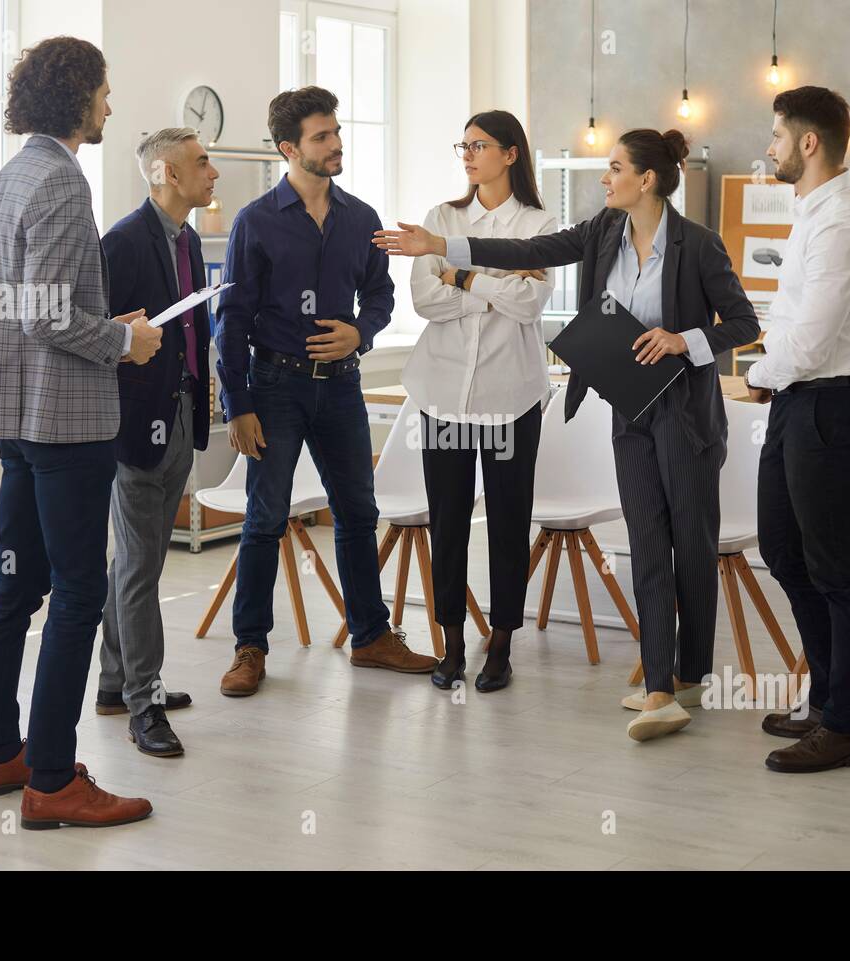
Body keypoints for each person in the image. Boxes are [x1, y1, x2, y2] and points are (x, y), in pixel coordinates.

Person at [375, 127, 760, 741]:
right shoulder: (602, 232)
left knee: (691, 544)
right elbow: (534, 250)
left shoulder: (699, 246)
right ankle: (660, 684)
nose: (604, 179)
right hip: (628, 409)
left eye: (614, 169)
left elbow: (744, 323)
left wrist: (682, 340)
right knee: (647, 542)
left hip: (686, 413)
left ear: (647, 181)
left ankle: (689, 674)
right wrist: (439, 244)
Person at [0, 37, 160, 828]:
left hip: (17, 421)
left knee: (15, 583)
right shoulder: (64, 182)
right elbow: (45, 314)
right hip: (65, 423)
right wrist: (123, 342)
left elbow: (22, 308)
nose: (110, 103)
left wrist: (107, 325)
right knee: (78, 592)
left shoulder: (8, 179)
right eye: (104, 91)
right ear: (77, 95)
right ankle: (50, 778)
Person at [215, 85, 439, 697]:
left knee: (357, 514)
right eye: (321, 136)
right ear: (289, 148)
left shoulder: (361, 219)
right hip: (275, 386)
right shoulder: (254, 223)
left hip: (342, 387)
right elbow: (230, 321)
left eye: (336, 132)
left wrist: (359, 334)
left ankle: (370, 637)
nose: (336, 143)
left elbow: (382, 296)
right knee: (264, 520)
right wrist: (239, 405)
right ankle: (250, 649)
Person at [744, 86, 850, 774]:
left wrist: (761, 372)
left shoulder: (842, 224)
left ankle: (847, 727)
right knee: (781, 547)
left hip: (828, 405)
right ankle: (827, 695)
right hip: (796, 402)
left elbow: (812, 335)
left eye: (775, 136)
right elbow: (793, 325)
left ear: (808, 143)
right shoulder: (811, 213)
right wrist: (771, 371)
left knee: (839, 573)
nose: (768, 148)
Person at [403, 110, 557, 694]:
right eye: (462, 145)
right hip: (442, 395)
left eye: (479, 145)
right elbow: (423, 298)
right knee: (447, 523)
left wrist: (463, 278)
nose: (467, 155)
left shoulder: (538, 222)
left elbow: (530, 305)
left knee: (509, 522)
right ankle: (452, 643)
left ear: (510, 153)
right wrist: (493, 287)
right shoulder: (441, 218)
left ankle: (502, 645)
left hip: (510, 397)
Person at [95, 128, 219, 757]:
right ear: (167, 173)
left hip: (182, 415)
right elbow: (97, 339)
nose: (214, 173)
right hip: (136, 425)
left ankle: (116, 683)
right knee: (142, 564)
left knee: (136, 561)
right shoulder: (120, 241)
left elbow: (193, 327)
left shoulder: (190, 239)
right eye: (203, 163)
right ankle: (144, 702)